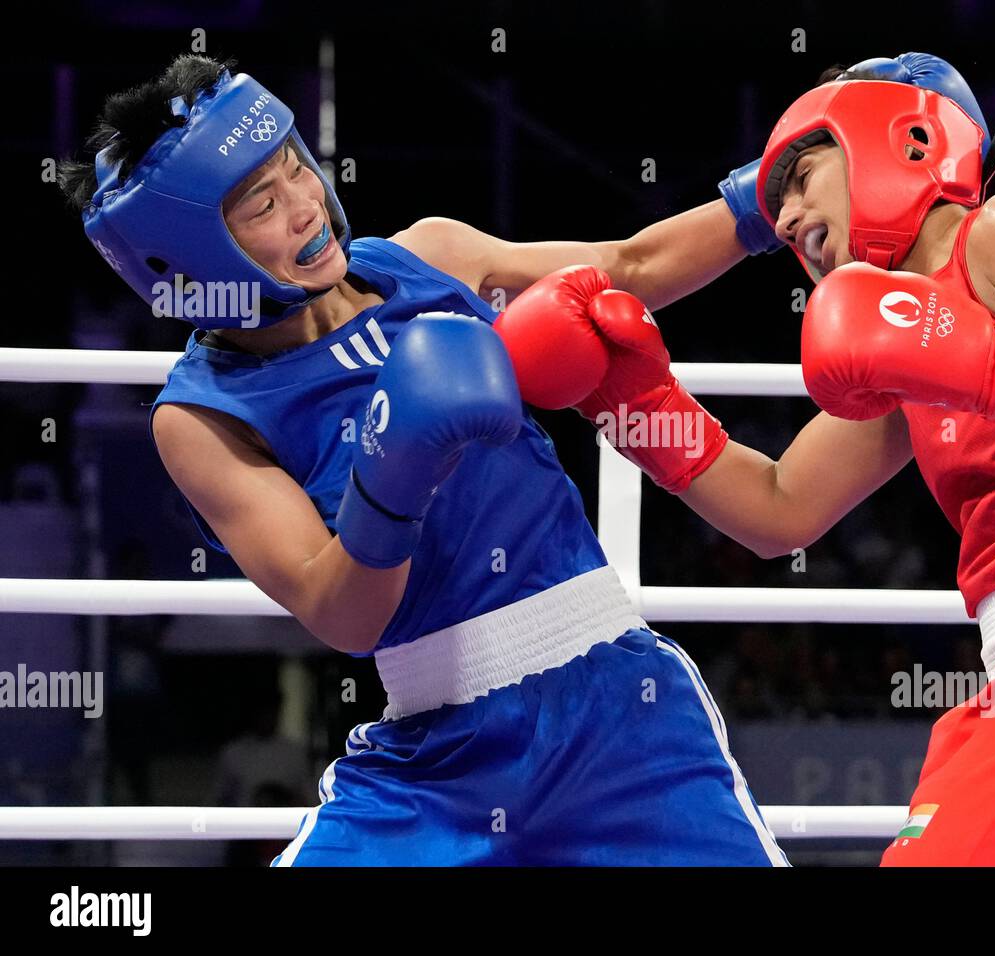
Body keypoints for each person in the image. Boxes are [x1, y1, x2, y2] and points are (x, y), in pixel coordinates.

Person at [59, 54, 788, 865]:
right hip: (433, 759)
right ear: (194, 260)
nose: (305, 207)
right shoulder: (203, 416)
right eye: (262, 202)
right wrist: (396, 466)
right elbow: (341, 615)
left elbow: (632, 267)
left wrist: (778, 189)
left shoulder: (430, 258)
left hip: (620, 709)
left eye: (297, 169)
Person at [505, 52, 995, 865]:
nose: (783, 219)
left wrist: (984, 365)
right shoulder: (905, 343)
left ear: (903, 139)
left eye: (803, 176)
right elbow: (781, 508)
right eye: (776, 204)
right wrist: (629, 402)